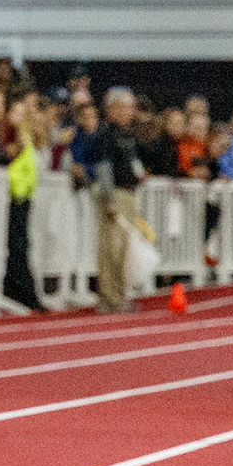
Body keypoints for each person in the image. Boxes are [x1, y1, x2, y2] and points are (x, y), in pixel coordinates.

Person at [90, 87, 146, 314]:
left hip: (128, 191)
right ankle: (109, 296)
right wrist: (109, 199)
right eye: (125, 106)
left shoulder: (127, 134)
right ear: (112, 109)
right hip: (115, 193)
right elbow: (104, 168)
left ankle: (120, 293)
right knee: (111, 247)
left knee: (124, 248)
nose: (130, 112)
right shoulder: (106, 135)